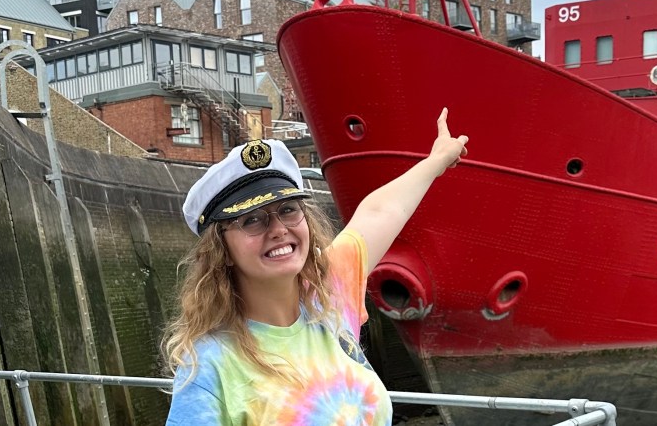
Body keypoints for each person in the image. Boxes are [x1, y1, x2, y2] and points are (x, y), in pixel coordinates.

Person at [163, 108, 468, 425]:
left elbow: (379, 212)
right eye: (252, 220)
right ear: (221, 248)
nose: (279, 228)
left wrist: (437, 160)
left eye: (288, 209)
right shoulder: (210, 366)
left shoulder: (329, 294)